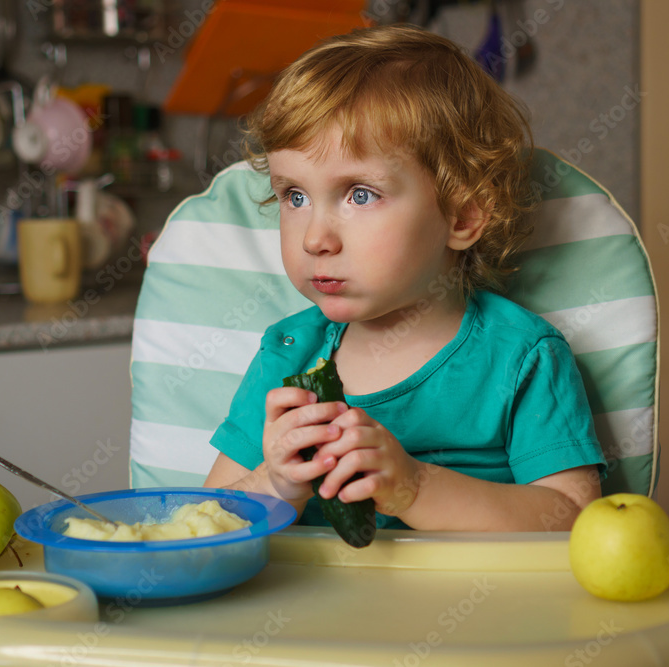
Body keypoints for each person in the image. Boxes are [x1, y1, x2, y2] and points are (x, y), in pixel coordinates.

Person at [203, 24, 605, 532]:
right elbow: (208, 521)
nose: (314, 239)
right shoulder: (287, 354)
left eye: (360, 194)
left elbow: (572, 519)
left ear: (460, 216)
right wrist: (273, 485)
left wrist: (413, 486)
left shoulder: (522, 358)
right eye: (294, 196)